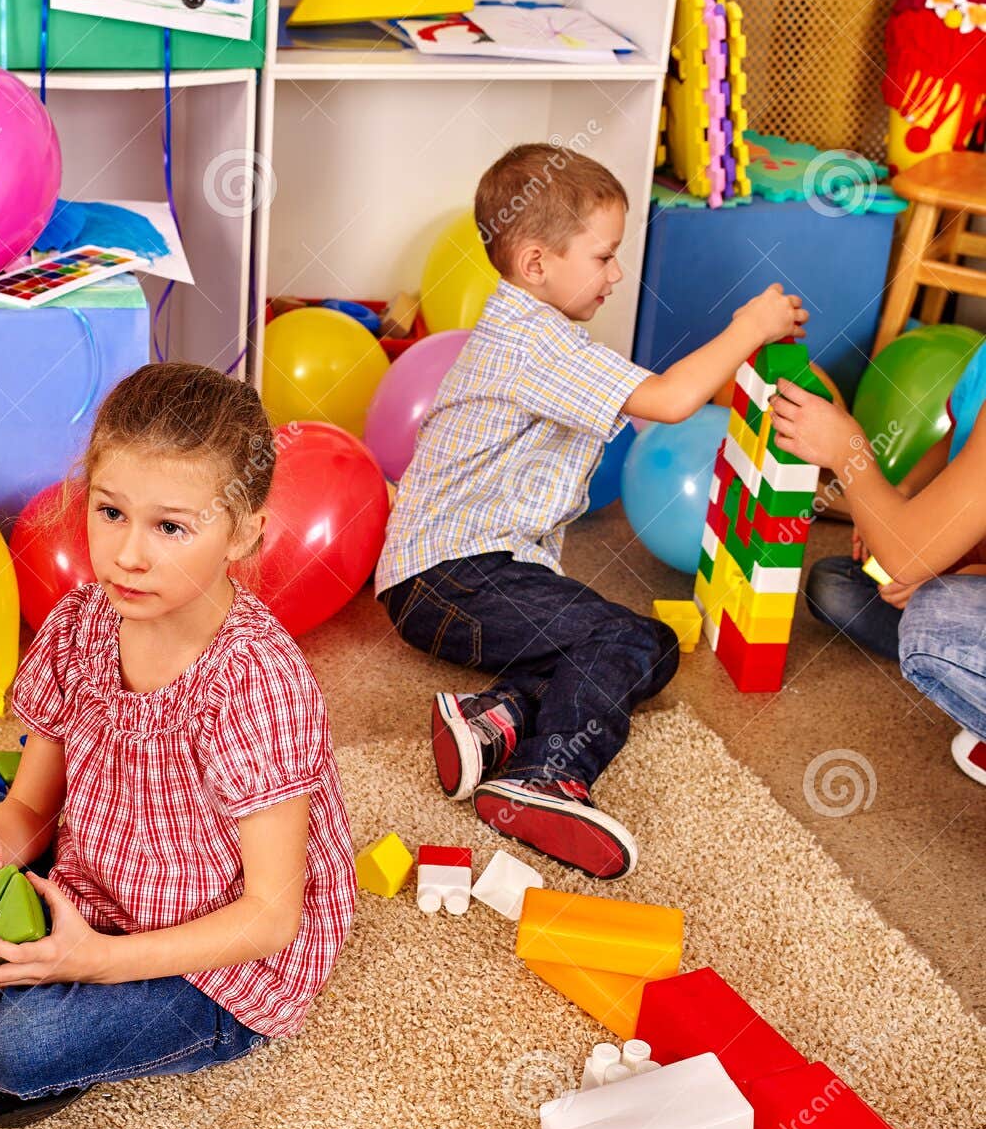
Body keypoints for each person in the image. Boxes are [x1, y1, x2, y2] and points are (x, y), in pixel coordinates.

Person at [0, 364, 357, 1128]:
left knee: (13, 1046)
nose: (127, 555)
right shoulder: (81, 623)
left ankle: (15, 991)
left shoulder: (257, 682)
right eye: (111, 511)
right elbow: (30, 804)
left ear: (246, 529)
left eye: (171, 527)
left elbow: (270, 918)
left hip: (211, 961)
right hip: (95, 873)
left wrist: (96, 961)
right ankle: (13, 962)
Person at [376, 142, 807, 878]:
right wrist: (750, 329)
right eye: (604, 257)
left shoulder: (535, 330)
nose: (616, 274)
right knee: (620, 640)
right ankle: (547, 775)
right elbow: (672, 402)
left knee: (649, 645)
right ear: (538, 264)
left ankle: (501, 719)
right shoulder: (533, 341)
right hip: (453, 578)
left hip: (463, 580)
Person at [776, 353, 986, 786]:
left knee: (935, 617)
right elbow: (957, 442)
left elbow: (909, 555)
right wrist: (898, 503)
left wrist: (847, 451)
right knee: (835, 585)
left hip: (966, 577)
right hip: (953, 554)